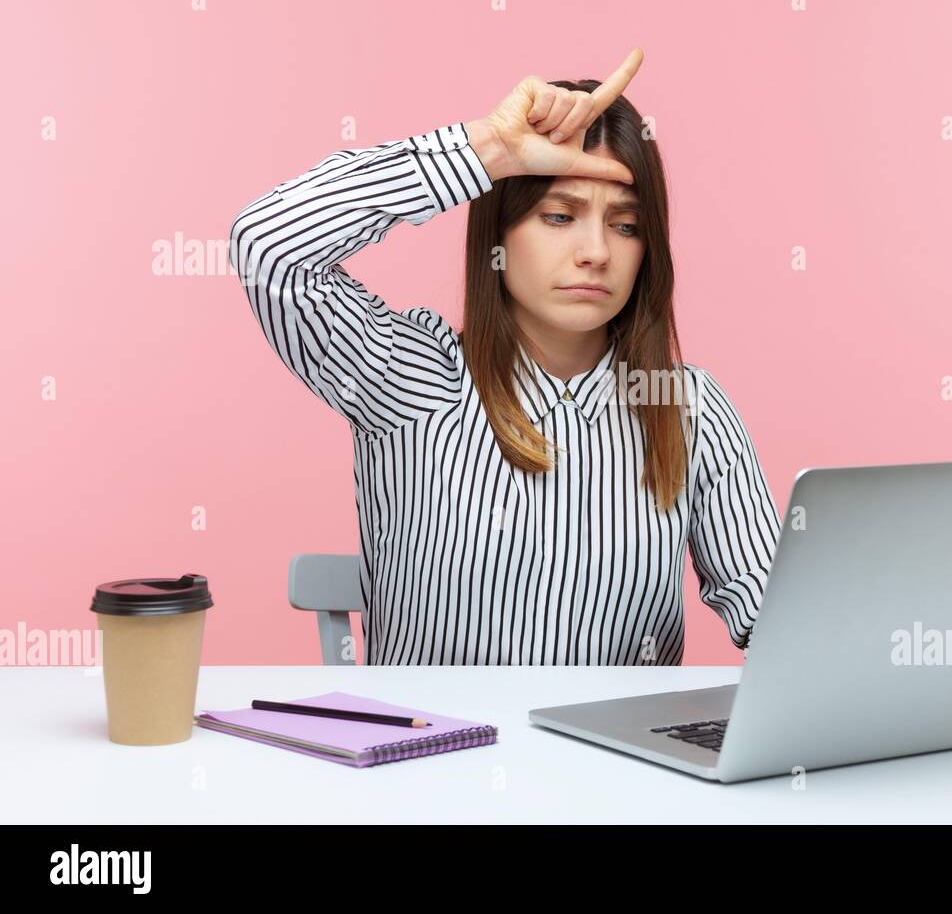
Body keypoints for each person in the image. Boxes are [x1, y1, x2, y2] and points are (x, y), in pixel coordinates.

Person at [228, 49, 780, 665]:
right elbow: (269, 244)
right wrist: (487, 150)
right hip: (436, 757)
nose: (595, 251)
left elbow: (782, 619)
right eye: (559, 216)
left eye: (626, 226)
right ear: (498, 236)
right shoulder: (412, 375)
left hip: (614, 763)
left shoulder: (686, 408)